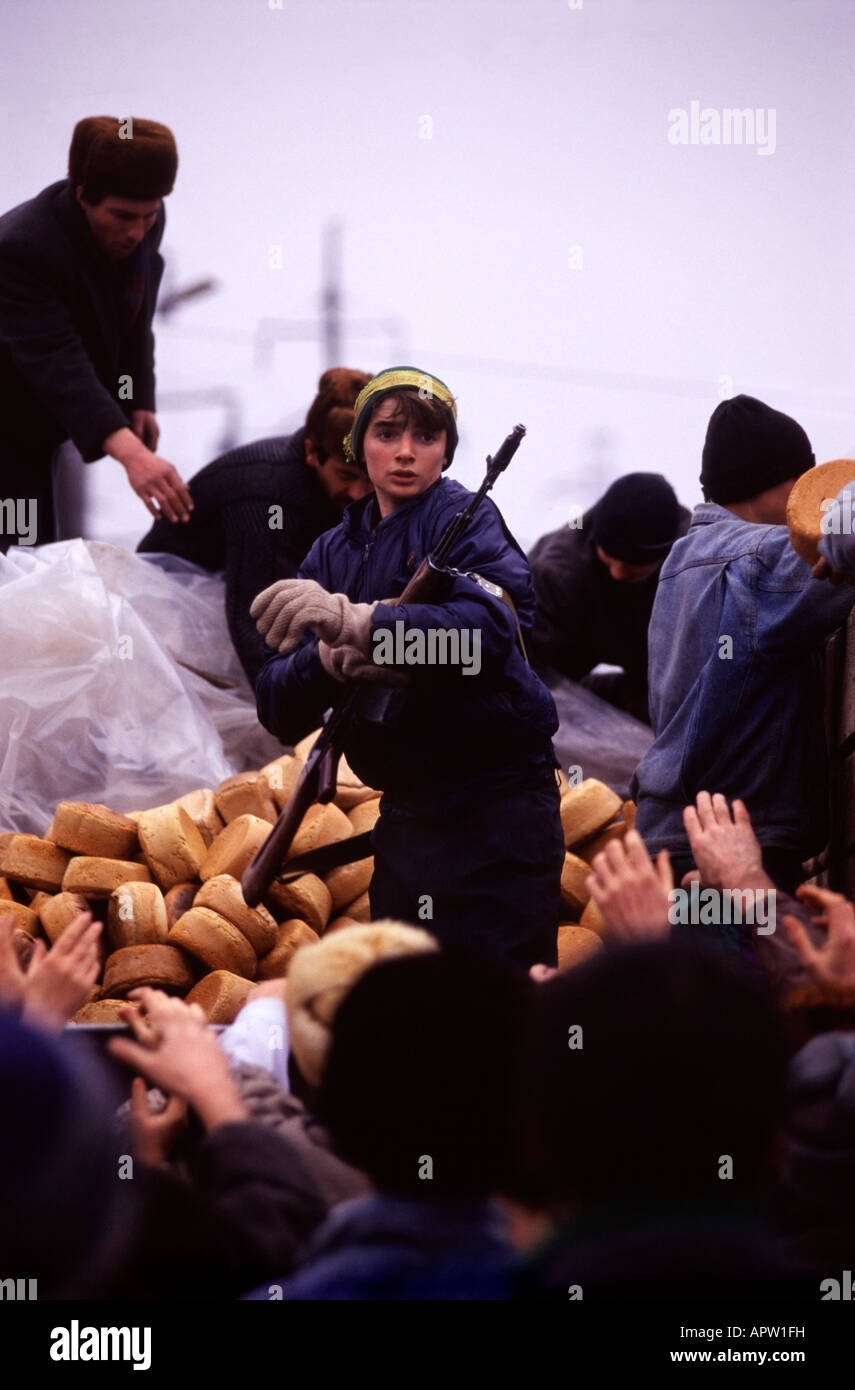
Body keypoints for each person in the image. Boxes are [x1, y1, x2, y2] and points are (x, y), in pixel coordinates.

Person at [252, 366, 564, 969]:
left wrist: (366, 629)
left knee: (503, 1008)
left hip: (498, 809)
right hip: (406, 817)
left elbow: (484, 641)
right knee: (412, 1013)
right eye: (387, 433)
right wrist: (324, 661)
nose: (404, 452)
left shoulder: (466, 520)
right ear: (358, 444)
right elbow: (274, 704)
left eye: (425, 437)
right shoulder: (331, 552)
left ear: (446, 451)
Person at [632, 395, 855, 894]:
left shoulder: (680, 563)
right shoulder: (762, 560)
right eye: (805, 481)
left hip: (669, 839)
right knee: (746, 971)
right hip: (729, 850)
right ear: (779, 484)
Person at [0, 115, 193, 549]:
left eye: (148, 215)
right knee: (15, 554)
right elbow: (56, 359)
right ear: (82, 195)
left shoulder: (144, 222)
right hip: (5, 427)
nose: (136, 232)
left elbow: (134, 315)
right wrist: (134, 455)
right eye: (122, 216)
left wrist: (136, 397)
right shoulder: (21, 250)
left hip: (36, 424)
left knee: (39, 557)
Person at [138, 367, 372, 682]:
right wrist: (300, 721)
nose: (358, 493)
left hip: (234, 602)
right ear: (310, 452)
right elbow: (261, 629)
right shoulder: (268, 497)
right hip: (166, 620)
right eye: (346, 476)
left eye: (368, 480)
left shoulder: (350, 494)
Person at [528, 473, 689, 723]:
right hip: (562, 652)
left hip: (654, 669)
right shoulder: (554, 573)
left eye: (632, 566)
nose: (616, 573)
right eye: (609, 558)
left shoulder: (694, 568)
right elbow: (527, 670)